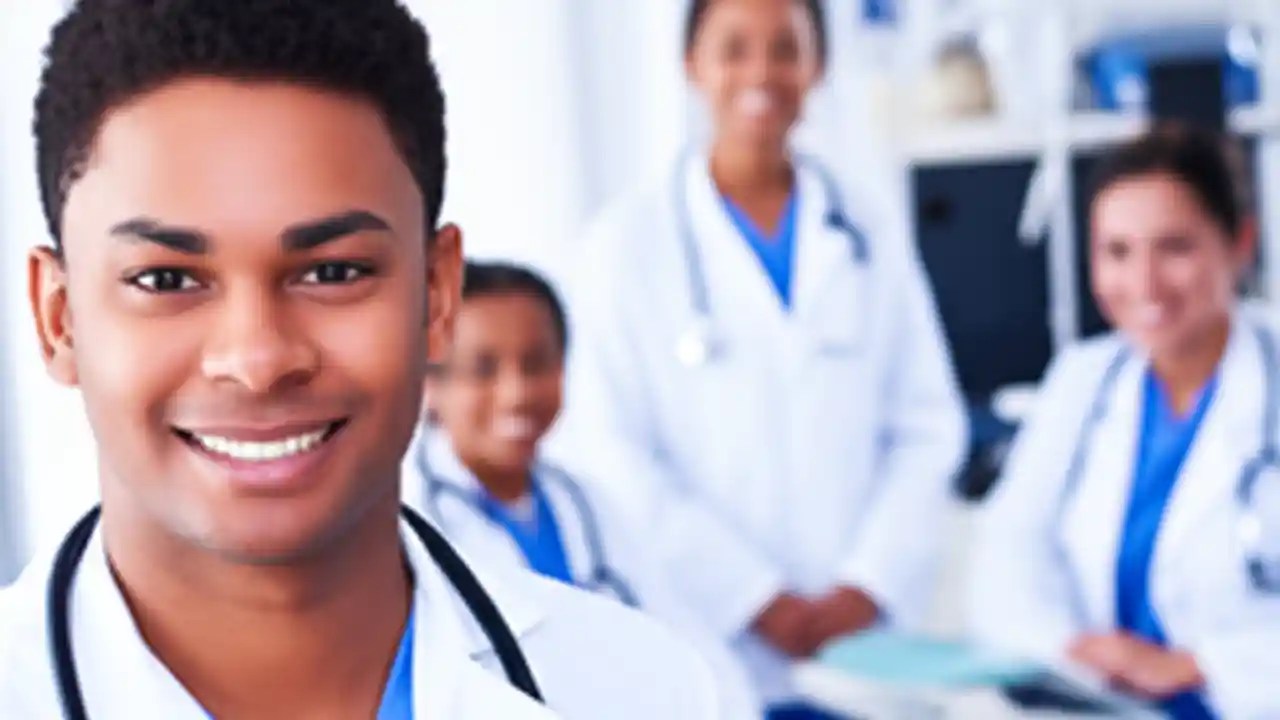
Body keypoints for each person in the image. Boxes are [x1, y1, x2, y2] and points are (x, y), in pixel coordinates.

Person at [0, 2, 724, 718]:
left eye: (333, 272)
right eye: (166, 280)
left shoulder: (644, 690)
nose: (257, 360)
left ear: (438, 295)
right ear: (57, 319)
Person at [553, 0, 967, 715]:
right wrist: (753, 598)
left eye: (785, 49)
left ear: (819, 66)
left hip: (865, 649)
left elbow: (927, 426)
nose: (762, 72)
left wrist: (866, 586)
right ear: (692, 66)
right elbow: (614, 453)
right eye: (735, 48)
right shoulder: (625, 245)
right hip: (713, 640)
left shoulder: (867, 228)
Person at [968, 125, 1279, 719]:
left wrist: (1198, 666)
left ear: (1240, 243)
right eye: (1117, 251)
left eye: (1175, 248)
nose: (1143, 283)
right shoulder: (1082, 379)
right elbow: (1008, 552)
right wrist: (1072, 649)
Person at [403, 260, 764, 717]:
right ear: (430, 384)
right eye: (483, 368)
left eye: (537, 363)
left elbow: (694, 649)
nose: (517, 392)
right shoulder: (404, 524)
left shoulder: (587, 506)